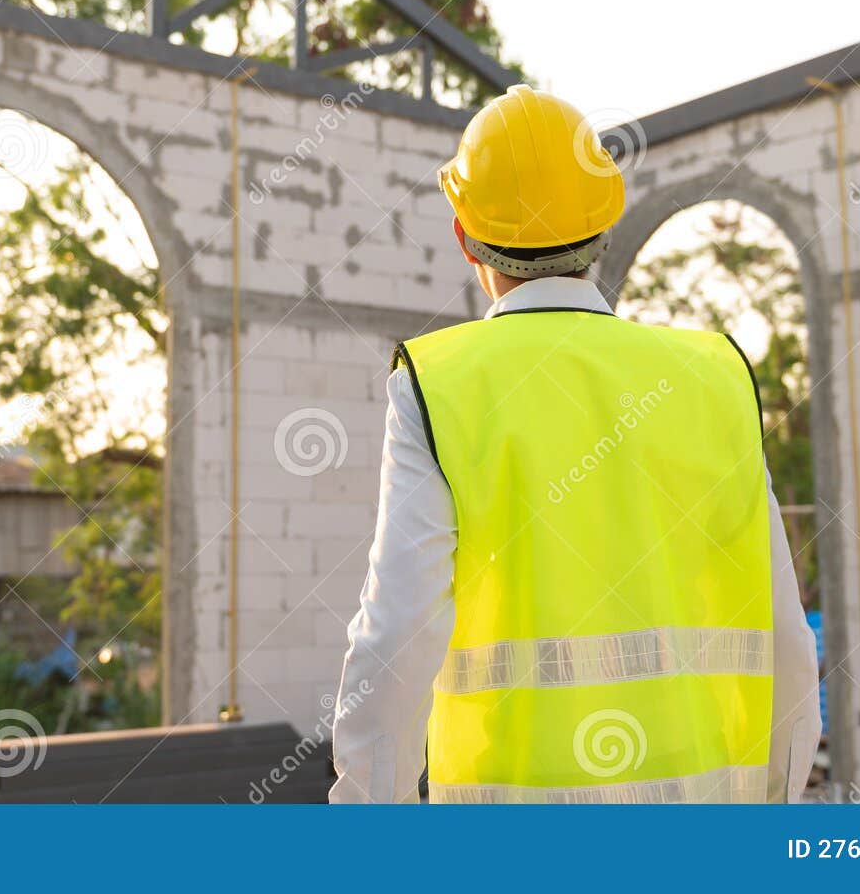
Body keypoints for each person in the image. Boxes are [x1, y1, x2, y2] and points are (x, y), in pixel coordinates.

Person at [329, 85, 820, 803]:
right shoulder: (713, 378)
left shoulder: (438, 385)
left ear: (463, 234)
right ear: (604, 228)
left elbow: (395, 640)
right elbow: (786, 641)